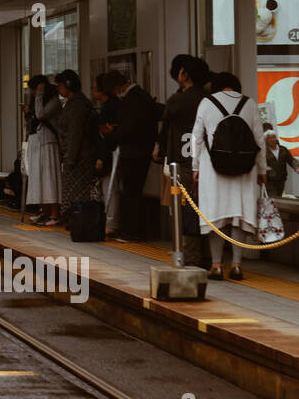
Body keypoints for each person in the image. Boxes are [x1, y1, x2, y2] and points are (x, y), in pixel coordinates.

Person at [192, 71, 267, 281]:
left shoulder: (206, 103)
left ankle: (216, 265)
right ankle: (236, 265)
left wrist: (195, 167)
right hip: (244, 169)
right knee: (238, 215)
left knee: (216, 216)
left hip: (213, 168)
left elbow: (196, 138)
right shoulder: (250, 104)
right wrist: (262, 170)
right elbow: (259, 140)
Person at [156, 55, 210, 265]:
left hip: (183, 161)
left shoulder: (177, 100)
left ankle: (189, 255)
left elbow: (165, 126)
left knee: (185, 210)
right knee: (204, 208)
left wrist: (159, 147)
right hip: (206, 163)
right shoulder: (208, 98)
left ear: (183, 74)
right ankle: (208, 256)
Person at [100, 70, 160, 242]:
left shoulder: (134, 99)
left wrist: (113, 132)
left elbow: (130, 129)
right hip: (140, 151)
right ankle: (135, 231)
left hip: (134, 152)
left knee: (131, 192)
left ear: (116, 86)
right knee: (134, 192)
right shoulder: (141, 96)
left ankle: (132, 232)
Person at [53, 70, 97, 221]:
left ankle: (79, 221)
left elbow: (75, 133)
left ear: (68, 85)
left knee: (77, 190)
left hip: (79, 156)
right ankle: (76, 221)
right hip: (76, 154)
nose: (58, 89)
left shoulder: (77, 105)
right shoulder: (73, 103)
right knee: (74, 190)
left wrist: (70, 158)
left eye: (60, 85)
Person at [23, 75, 62, 226]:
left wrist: (39, 94)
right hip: (36, 141)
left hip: (48, 142)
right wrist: (27, 114)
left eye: (35, 90)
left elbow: (40, 114)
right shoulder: (37, 100)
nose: (33, 94)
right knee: (39, 177)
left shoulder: (53, 100)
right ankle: (44, 211)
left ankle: (54, 213)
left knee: (49, 177)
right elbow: (33, 120)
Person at [93, 74, 121, 237]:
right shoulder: (112, 105)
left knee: (110, 187)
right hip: (111, 151)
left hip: (110, 153)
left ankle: (111, 223)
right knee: (108, 187)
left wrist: (101, 157)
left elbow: (106, 135)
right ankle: (109, 221)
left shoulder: (110, 108)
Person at [264, 130, 299, 199]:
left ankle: (276, 208)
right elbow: (261, 163)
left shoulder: (283, 149)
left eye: (274, 137)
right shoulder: (264, 151)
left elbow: (291, 160)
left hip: (281, 178)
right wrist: (266, 168)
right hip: (270, 179)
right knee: (272, 197)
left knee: (279, 196)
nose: (272, 140)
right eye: (270, 138)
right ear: (266, 140)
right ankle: (273, 209)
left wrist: (296, 167)